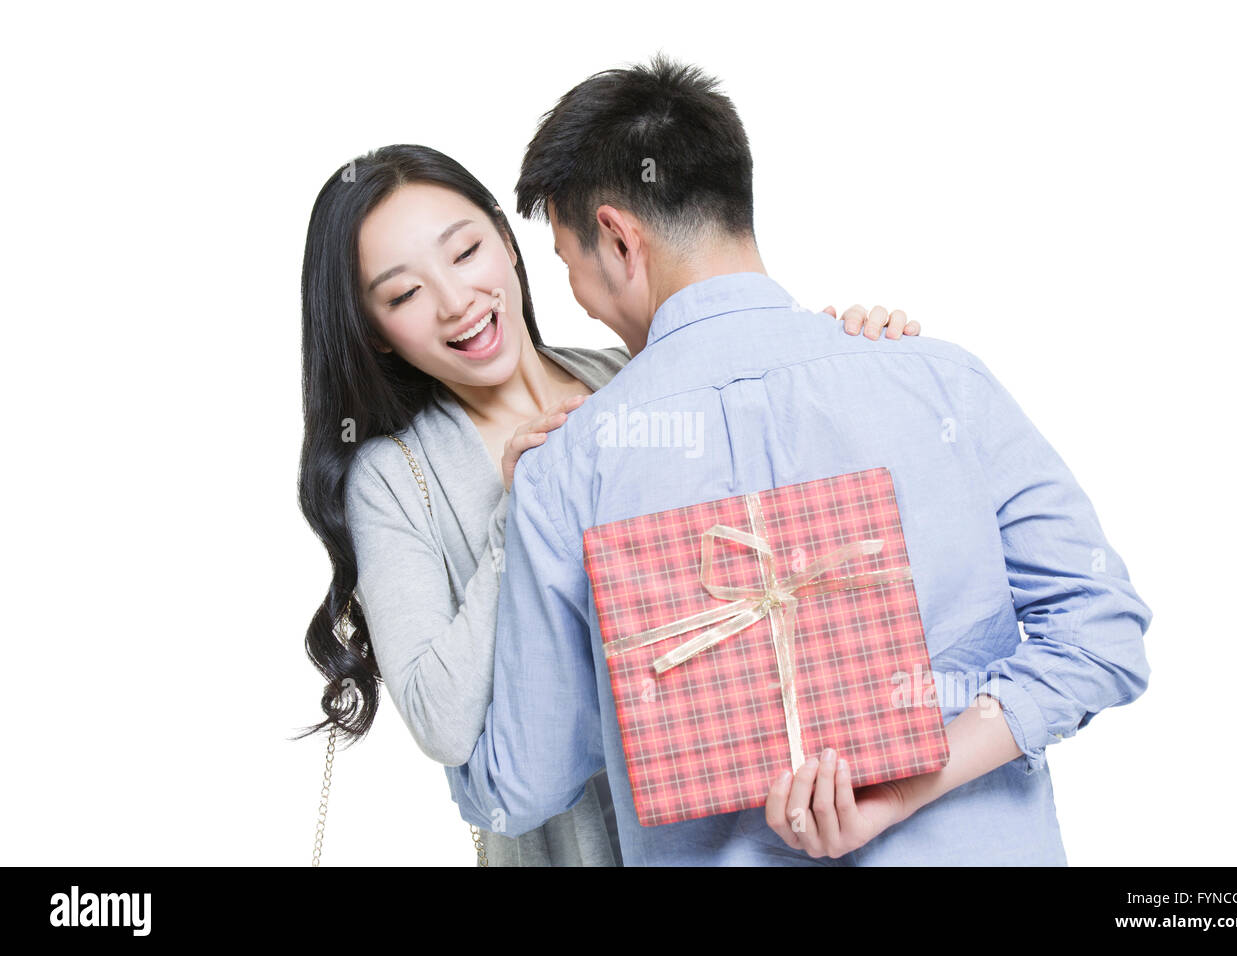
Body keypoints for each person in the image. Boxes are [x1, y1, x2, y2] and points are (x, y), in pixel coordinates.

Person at [450, 56, 1154, 866]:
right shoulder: (934, 377)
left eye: (572, 268)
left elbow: (522, 784)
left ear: (617, 237)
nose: (582, 299)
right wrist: (909, 788)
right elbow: (1101, 633)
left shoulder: (567, 469)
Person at [296, 143, 920, 865]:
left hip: (746, 835)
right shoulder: (395, 476)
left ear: (507, 240)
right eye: (403, 295)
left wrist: (845, 356)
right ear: (374, 333)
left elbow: (776, 558)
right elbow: (440, 720)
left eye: (465, 252)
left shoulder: (632, 371)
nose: (455, 301)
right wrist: (522, 511)